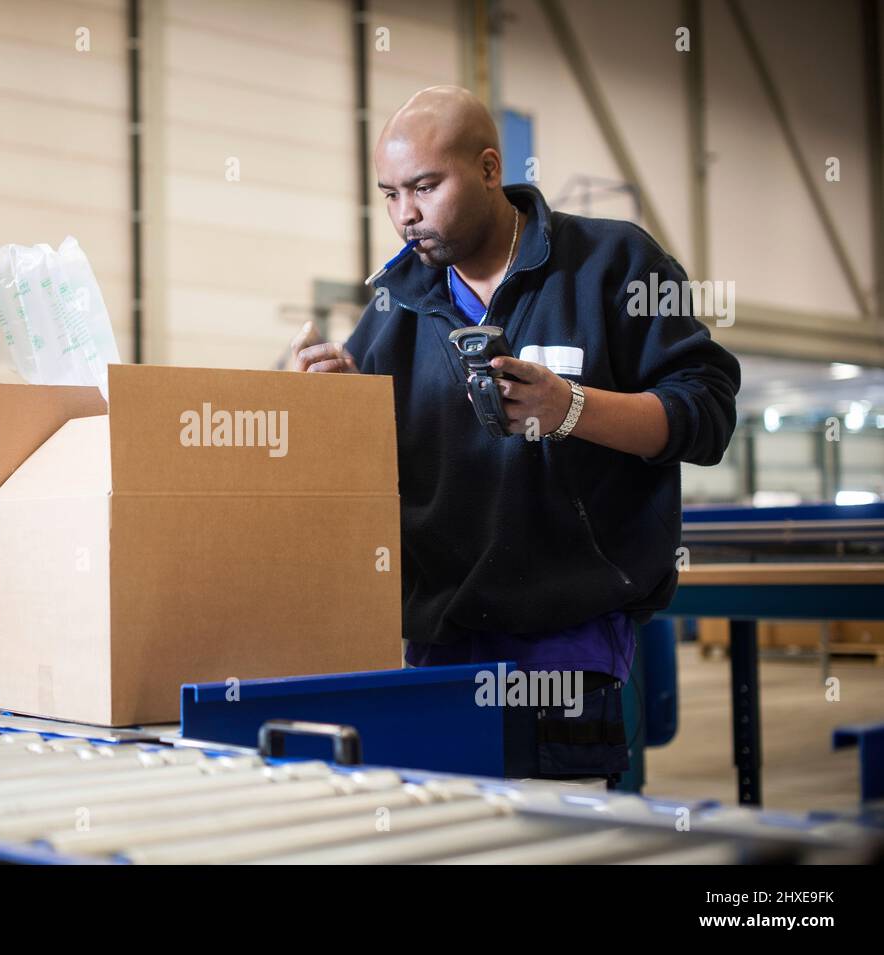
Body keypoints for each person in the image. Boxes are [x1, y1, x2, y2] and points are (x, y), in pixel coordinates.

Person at [290, 86, 740, 783]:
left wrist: (571, 408)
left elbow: (707, 413)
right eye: (389, 194)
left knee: (558, 832)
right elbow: (365, 474)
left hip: (567, 629)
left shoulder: (613, 266)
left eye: (425, 187)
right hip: (439, 636)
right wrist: (340, 406)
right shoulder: (395, 303)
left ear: (491, 169)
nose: (404, 214)